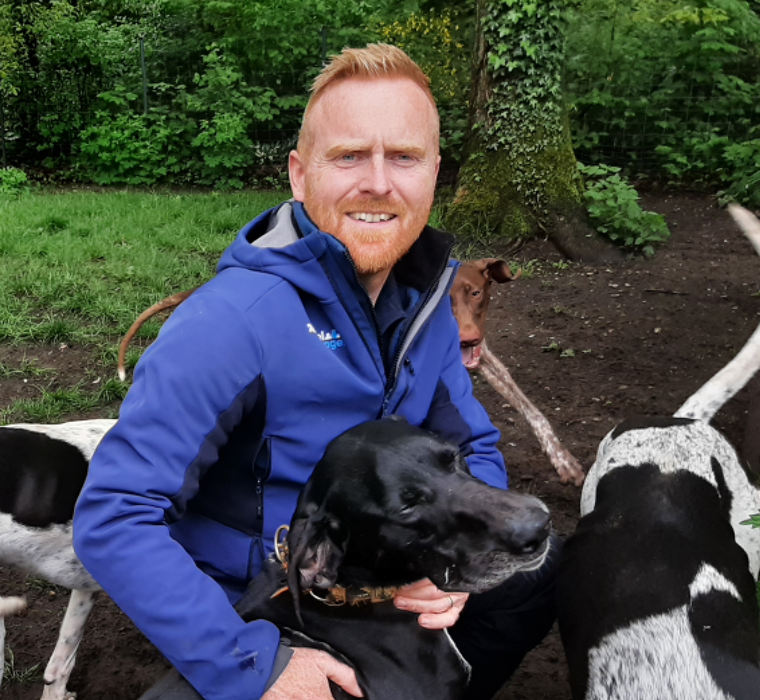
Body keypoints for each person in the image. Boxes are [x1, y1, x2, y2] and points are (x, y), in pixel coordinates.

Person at [73, 44, 558, 700]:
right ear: (301, 175)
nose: (378, 182)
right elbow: (116, 514)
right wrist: (254, 665)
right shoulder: (232, 322)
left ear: (434, 173)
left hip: (389, 560)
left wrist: (460, 557)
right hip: (272, 593)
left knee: (539, 577)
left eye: (404, 157)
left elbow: (473, 444)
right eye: (349, 156)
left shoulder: (427, 305)